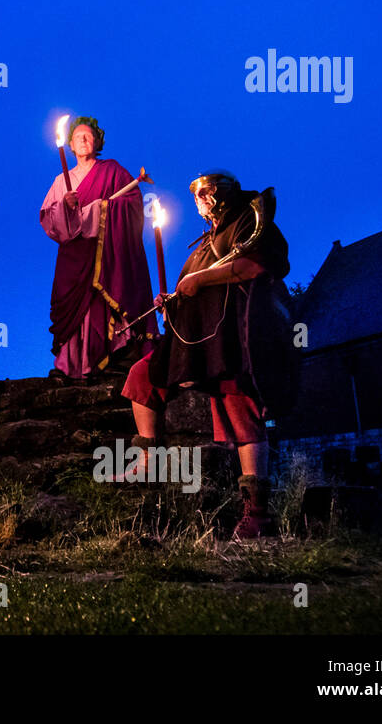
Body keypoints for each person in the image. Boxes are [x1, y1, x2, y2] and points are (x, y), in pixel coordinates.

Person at [118, 169, 294, 539]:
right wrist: (172, 301)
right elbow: (189, 292)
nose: (201, 202)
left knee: (240, 409)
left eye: (206, 194)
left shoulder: (250, 223)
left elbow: (253, 266)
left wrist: (200, 280)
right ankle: (147, 457)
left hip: (231, 338)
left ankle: (258, 514)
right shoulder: (205, 242)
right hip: (193, 342)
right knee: (142, 376)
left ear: (221, 194)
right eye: (197, 196)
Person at [39, 116, 156, 379]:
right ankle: (69, 366)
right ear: (69, 144)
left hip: (108, 252)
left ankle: (111, 358)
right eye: (78, 136)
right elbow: (48, 220)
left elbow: (133, 203)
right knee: (75, 311)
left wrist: (99, 209)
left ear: (97, 141)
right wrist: (64, 208)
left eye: (88, 135)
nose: (83, 139)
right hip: (74, 257)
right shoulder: (61, 181)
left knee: (101, 303)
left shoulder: (113, 171)